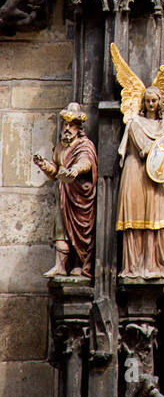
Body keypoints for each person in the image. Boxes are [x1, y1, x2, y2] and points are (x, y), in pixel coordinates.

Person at [116, 75, 164, 279]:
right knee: (135, 218)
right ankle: (133, 267)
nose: (151, 104)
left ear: (159, 102)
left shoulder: (162, 124)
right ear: (143, 102)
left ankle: (156, 265)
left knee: (157, 217)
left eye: (154, 100)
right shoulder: (135, 123)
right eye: (147, 100)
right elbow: (146, 150)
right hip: (136, 172)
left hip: (154, 175)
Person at [33, 102, 98, 277]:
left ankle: (79, 264)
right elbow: (55, 172)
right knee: (61, 230)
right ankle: (60, 266)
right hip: (63, 194)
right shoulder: (61, 146)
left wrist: (75, 170)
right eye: (66, 124)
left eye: (72, 125)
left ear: (78, 127)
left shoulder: (84, 145)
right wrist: (44, 165)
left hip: (79, 196)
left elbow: (86, 162)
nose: (68, 128)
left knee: (79, 231)